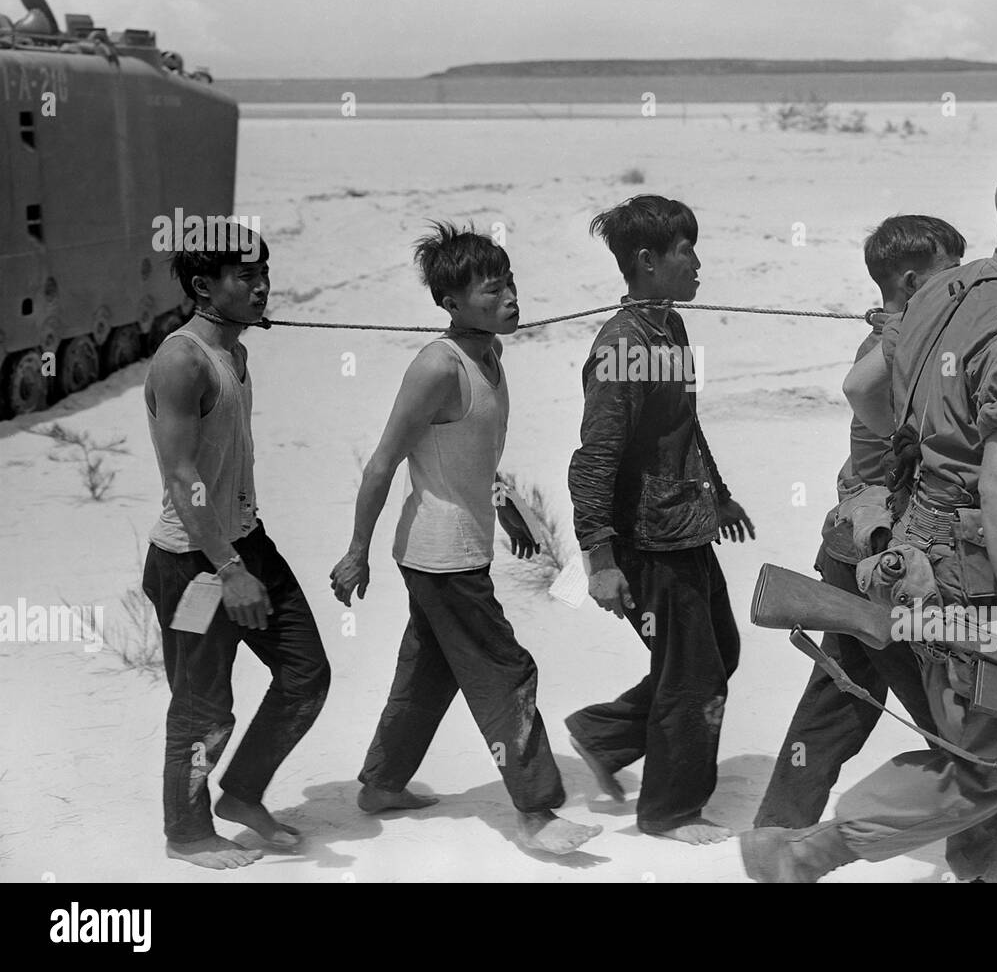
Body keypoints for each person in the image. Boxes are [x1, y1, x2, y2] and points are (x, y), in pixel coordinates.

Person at [740, 140, 997, 882]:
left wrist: (915, 470)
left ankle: (992, 875)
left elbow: (862, 391)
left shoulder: (949, 292)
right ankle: (807, 851)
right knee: (996, 758)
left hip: (916, 553)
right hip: (961, 574)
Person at [329, 224, 600, 856]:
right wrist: (354, 550)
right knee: (508, 672)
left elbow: (468, 454)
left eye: (510, 281)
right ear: (450, 303)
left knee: (428, 674)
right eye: (491, 288)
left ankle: (381, 785)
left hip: (461, 546)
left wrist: (505, 509)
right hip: (439, 555)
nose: (509, 296)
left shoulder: (490, 355)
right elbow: (382, 463)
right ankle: (537, 811)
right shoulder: (436, 367)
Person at [753, 215, 965, 831]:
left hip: (856, 553)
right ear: (909, 281)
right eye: (948, 276)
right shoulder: (891, 350)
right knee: (949, 711)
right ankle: (986, 853)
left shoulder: (908, 341)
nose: (961, 288)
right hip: (879, 555)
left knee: (840, 699)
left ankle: (777, 835)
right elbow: (861, 390)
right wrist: (899, 336)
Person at [566, 194, 755, 845]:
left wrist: (719, 495)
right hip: (645, 540)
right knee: (693, 672)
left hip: (684, 523)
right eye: (685, 250)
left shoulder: (667, 327)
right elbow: (595, 457)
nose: (697, 262)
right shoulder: (621, 345)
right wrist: (599, 558)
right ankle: (669, 811)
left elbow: (681, 426)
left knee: (717, 652)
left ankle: (602, 734)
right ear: (647, 261)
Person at [143, 229, 331, 870]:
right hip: (193, 565)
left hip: (248, 542)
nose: (262, 288)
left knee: (307, 674)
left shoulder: (236, 351)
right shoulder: (182, 361)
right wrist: (227, 569)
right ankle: (188, 832)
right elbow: (181, 474)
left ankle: (242, 793)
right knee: (202, 706)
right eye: (246, 278)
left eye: (265, 275)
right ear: (202, 287)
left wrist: (242, 558)